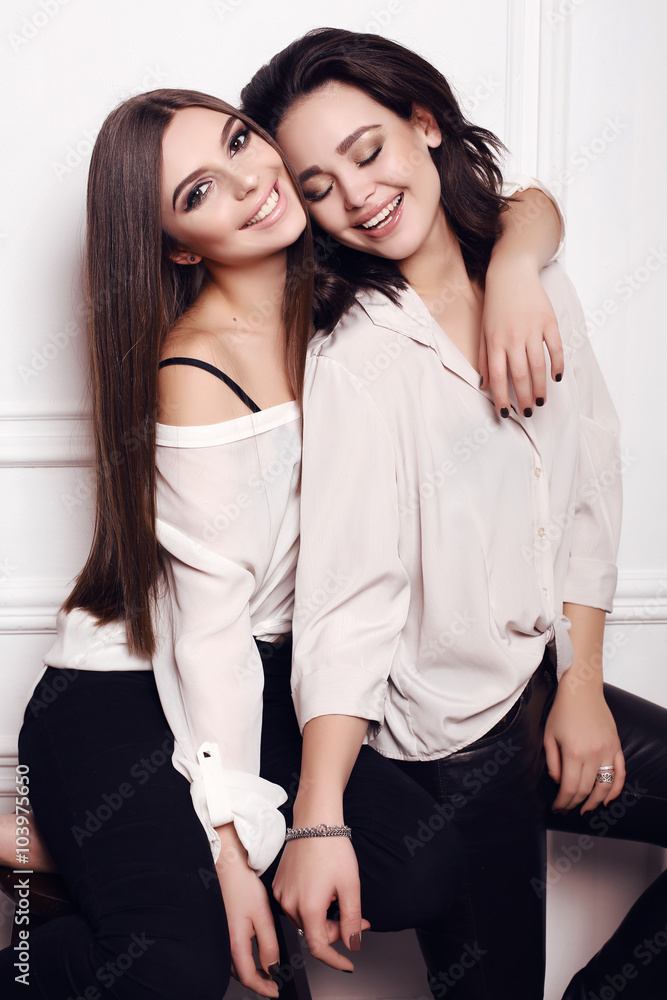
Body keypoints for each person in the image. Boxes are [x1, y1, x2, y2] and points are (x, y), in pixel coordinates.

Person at [0, 84, 562, 998]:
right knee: (174, 970)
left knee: (418, 869)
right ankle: (44, 887)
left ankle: (74, 843)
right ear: (182, 245)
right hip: (129, 690)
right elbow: (206, 640)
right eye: (199, 192)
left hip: (260, 678)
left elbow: (518, 205)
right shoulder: (195, 373)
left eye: (241, 142)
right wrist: (231, 856)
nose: (252, 181)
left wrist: (512, 270)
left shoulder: (345, 274)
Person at [240, 27, 667, 1000]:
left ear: (422, 122)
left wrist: (584, 684)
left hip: (540, 683)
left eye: (366, 150)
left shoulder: (531, 274)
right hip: (445, 740)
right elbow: (349, 594)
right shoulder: (354, 359)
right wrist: (318, 818)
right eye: (317, 185)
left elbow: (588, 482)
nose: (355, 194)